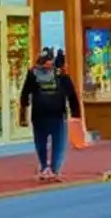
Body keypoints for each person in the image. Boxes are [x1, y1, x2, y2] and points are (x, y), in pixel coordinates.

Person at [19, 48, 81, 182]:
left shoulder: (32, 74)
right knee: (58, 144)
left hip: (39, 114)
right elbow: (71, 94)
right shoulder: (61, 75)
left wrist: (23, 113)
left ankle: (44, 167)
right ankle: (54, 169)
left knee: (41, 143)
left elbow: (24, 94)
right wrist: (76, 112)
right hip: (57, 114)